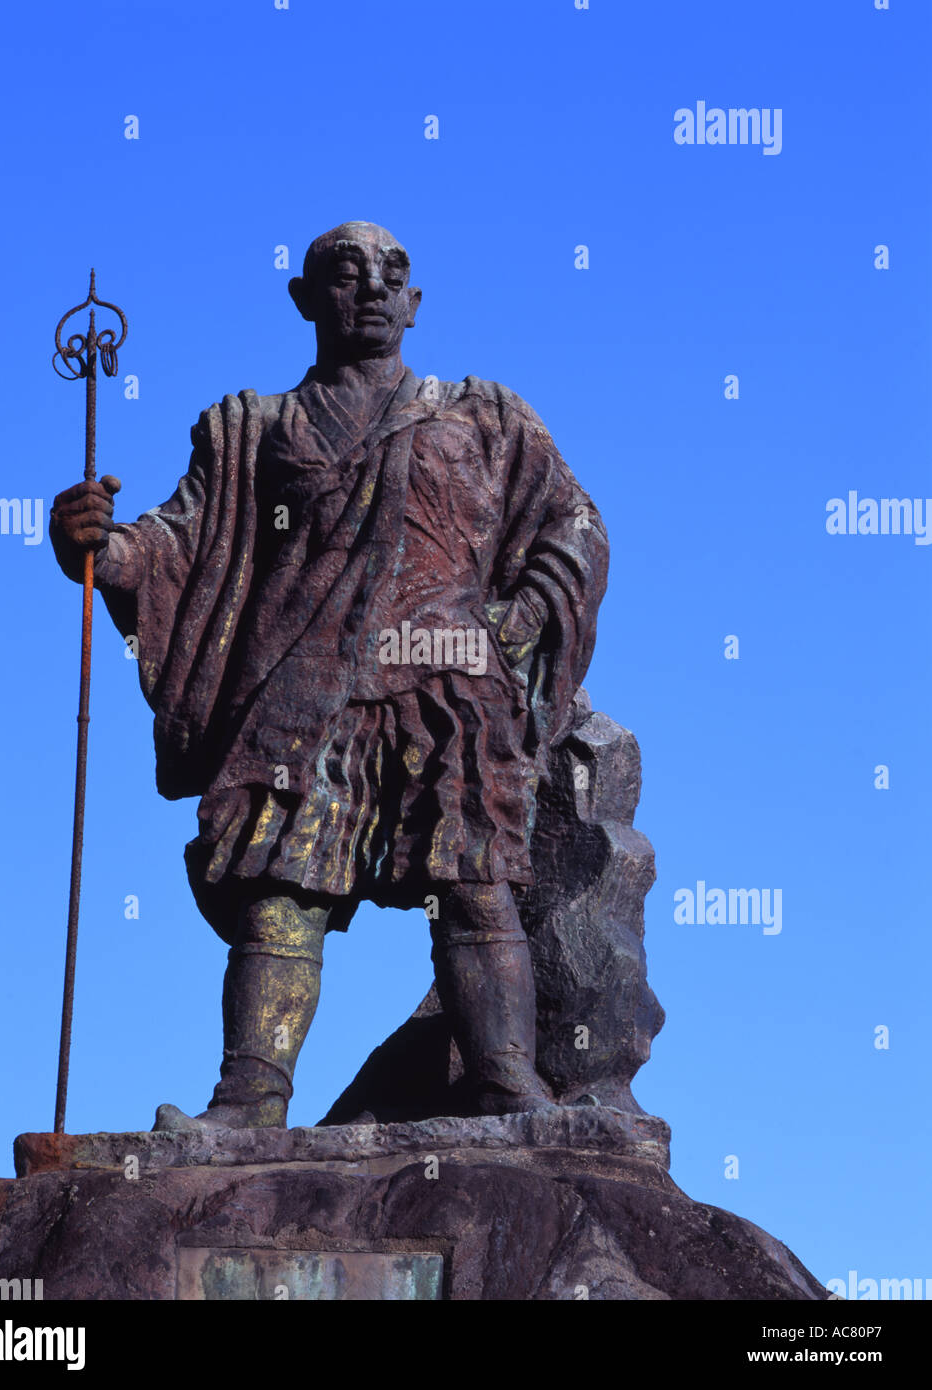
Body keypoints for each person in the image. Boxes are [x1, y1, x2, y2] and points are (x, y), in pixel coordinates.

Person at [50, 222, 608, 1129]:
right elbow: (175, 544)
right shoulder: (254, 430)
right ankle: (250, 1094)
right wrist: (97, 548)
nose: (374, 291)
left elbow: (573, 522)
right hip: (308, 687)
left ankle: (509, 1082)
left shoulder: (485, 418)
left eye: (393, 275)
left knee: (471, 880)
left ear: (416, 303)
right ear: (307, 300)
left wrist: (527, 616)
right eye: (347, 275)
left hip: (449, 682)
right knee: (281, 890)